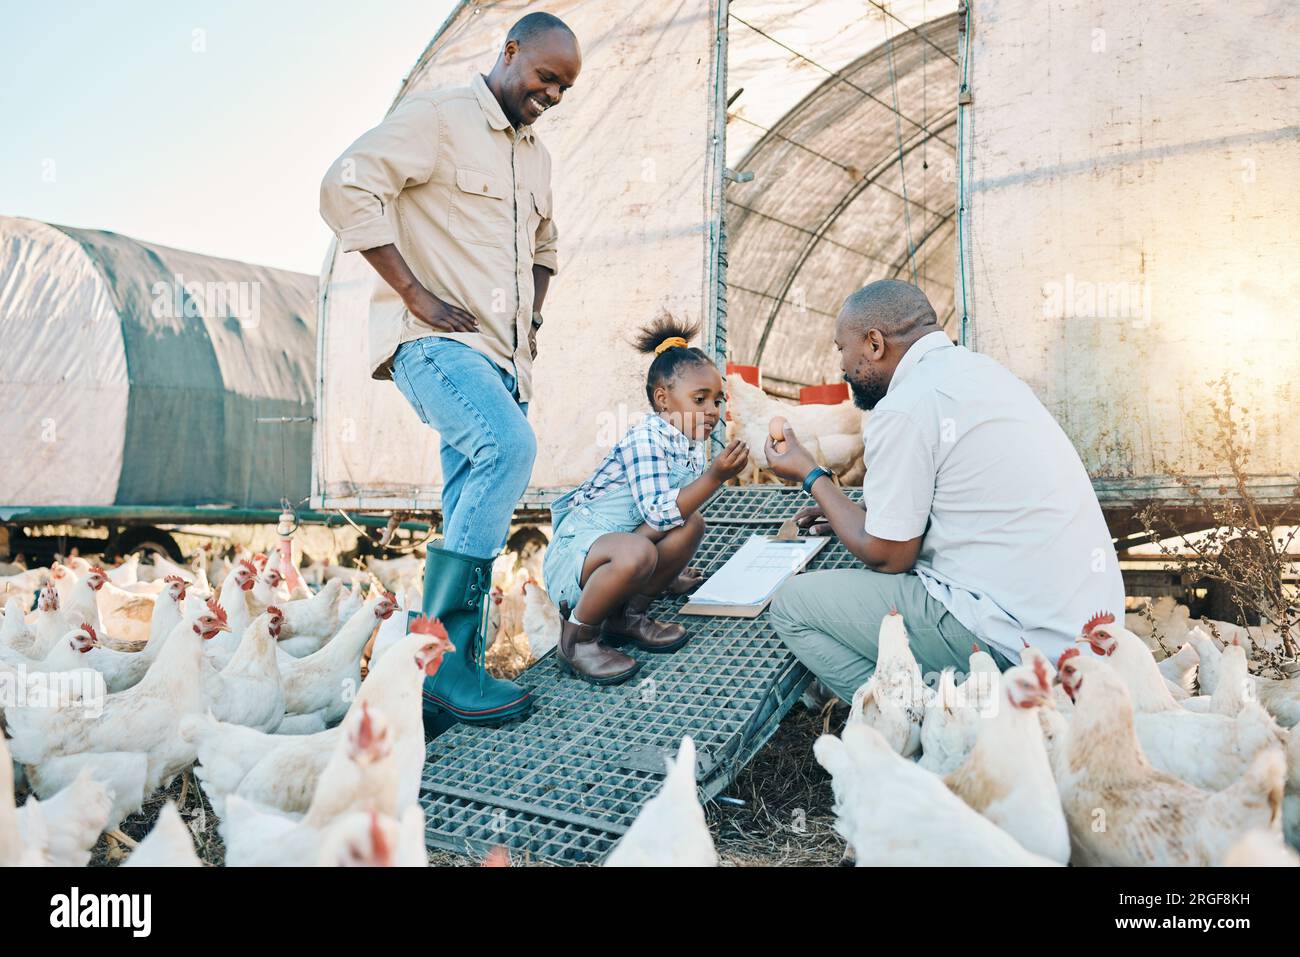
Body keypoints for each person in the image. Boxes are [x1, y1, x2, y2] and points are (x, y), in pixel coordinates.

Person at [319, 12, 581, 725]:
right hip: (433, 344)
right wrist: (412, 292)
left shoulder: (537, 158)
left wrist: (533, 317)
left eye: (565, 87)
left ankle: (424, 683)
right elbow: (345, 187)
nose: (553, 94)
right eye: (546, 76)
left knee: (472, 488)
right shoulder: (437, 117)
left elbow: (547, 243)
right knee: (510, 448)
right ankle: (449, 659)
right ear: (510, 51)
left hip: (503, 359)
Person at [763, 280, 1125, 704]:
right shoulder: (987, 374)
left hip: (1018, 645)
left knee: (791, 606)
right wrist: (851, 510)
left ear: (874, 343)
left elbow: (889, 556)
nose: (841, 365)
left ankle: (921, 721)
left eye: (842, 348)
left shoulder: (905, 406)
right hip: (1085, 635)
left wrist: (810, 474)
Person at [543, 316, 749, 684]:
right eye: (699, 399)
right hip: (579, 554)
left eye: (718, 401)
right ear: (663, 400)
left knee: (692, 525)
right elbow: (659, 513)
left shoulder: (688, 443)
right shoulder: (647, 439)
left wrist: (669, 573)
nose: (713, 411)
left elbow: (671, 517)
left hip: (623, 545)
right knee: (640, 553)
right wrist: (716, 477)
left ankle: (628, 617)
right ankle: (577, 639)